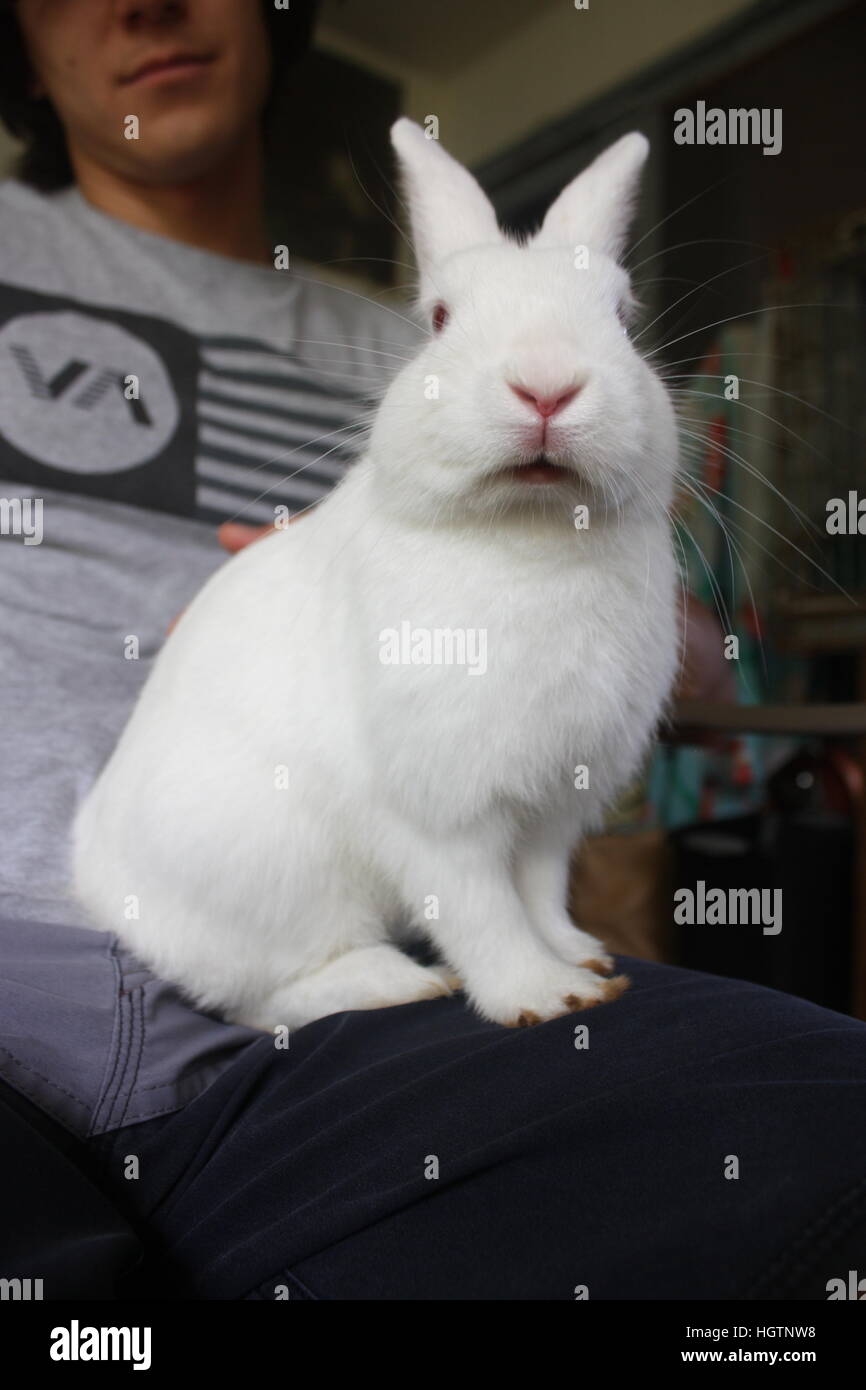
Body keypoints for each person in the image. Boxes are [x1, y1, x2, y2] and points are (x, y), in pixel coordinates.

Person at [1, 0, 865, 1302]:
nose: (145, 2)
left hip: (340, 1011)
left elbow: (658, 675)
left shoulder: (386, 345)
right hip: (76, 929)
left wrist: (645, 570)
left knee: (817, 1132)